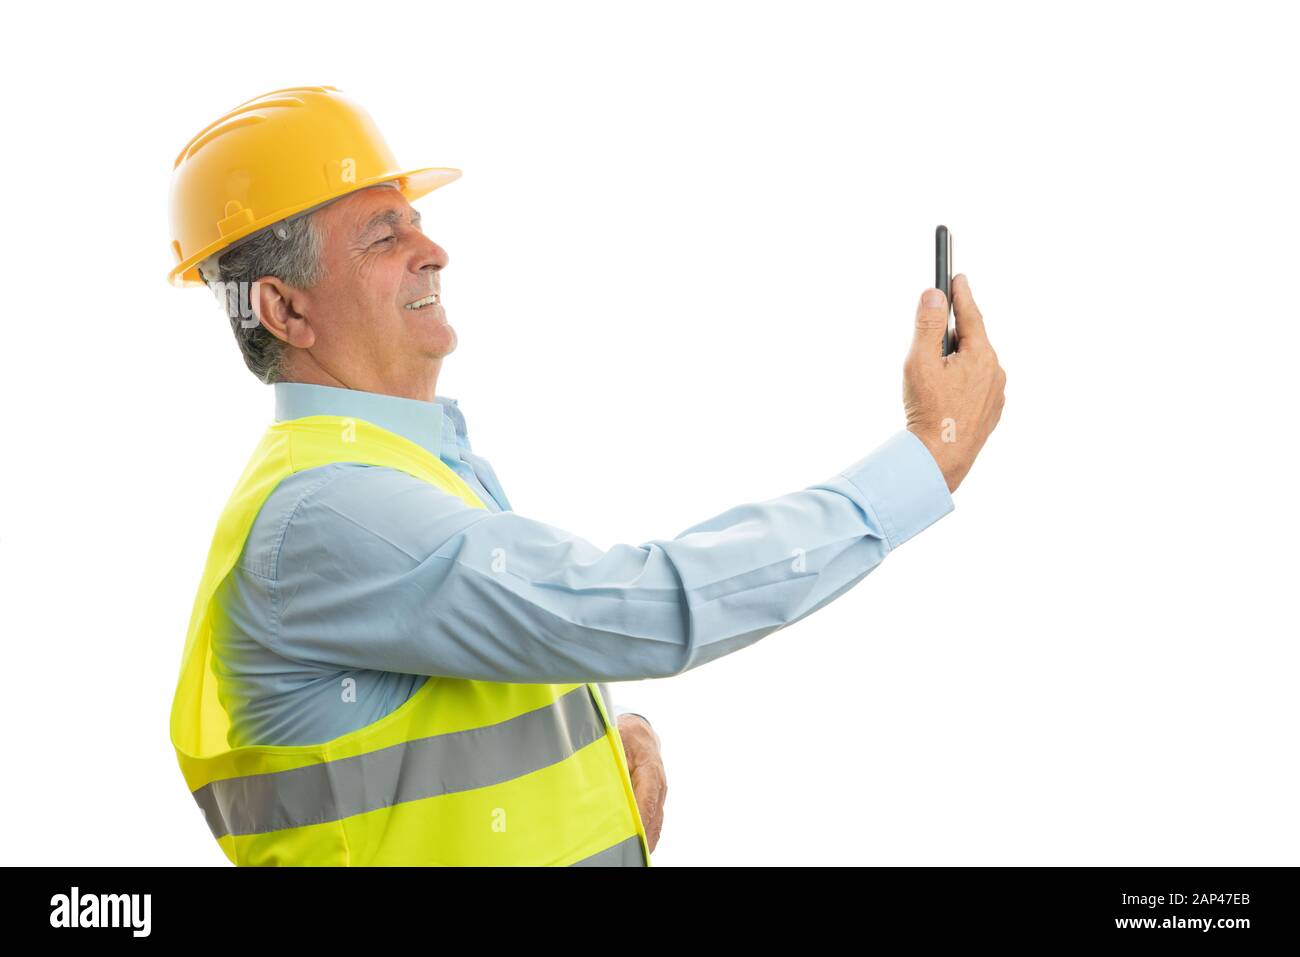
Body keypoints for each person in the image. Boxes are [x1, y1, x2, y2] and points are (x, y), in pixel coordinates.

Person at [167, 86, 1006, 866]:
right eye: (384, 236)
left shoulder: (402, 472)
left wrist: (608, 743)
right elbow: (636, 604)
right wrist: (926, 458)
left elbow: (503, 684)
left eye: (415, 222)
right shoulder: (333, 511)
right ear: (285, 309)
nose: (434, 250)